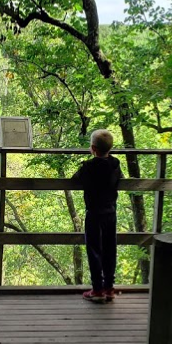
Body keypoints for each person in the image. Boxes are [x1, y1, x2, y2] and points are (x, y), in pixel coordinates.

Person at [72, 129, 122, 303]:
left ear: (92, 148)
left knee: (94, 250)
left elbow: (75, 179)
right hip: (110, 213)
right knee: (110, 248)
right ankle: (109, 288)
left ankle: (97, 290)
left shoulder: (89, 167)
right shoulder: (115, 164)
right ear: (111, 148)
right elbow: (119, 178)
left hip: (94, 214)